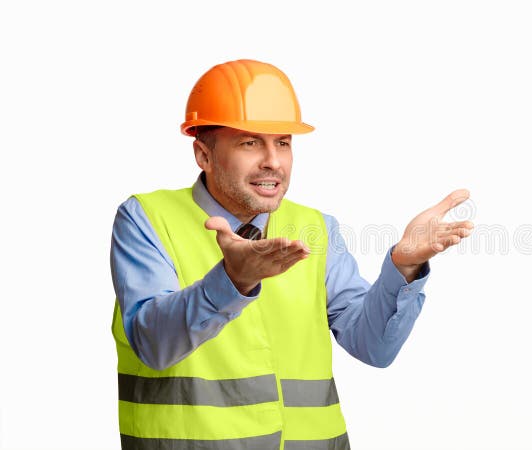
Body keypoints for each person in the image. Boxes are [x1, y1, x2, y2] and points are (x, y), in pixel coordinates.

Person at [110, 59, 473, 450]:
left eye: (282, 142)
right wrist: (231, 282)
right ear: (203, 155)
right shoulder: (147, 218)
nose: (273, 161)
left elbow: (374, 348)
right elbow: (153, 344)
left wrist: (404, 267)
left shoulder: (315, 227)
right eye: (250, 142)